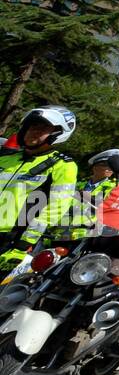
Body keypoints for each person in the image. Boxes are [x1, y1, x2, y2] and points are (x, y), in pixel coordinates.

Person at [0, 106, 78, 269]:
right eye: (32, 126)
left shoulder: (62, 165)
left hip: (10, 240)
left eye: (43, 128)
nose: (34, 131)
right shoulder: (7, 158)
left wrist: (22, 245)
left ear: (57, 133)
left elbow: (55, 208)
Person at [68, 148, 119, 241]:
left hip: (90, 237)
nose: (110, 168)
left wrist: (92, 200)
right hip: (65, 233)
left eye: (112, 166)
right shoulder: (79, 185)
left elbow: (116, 211)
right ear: (94, 167)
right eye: (105, 165)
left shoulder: (116, 187)